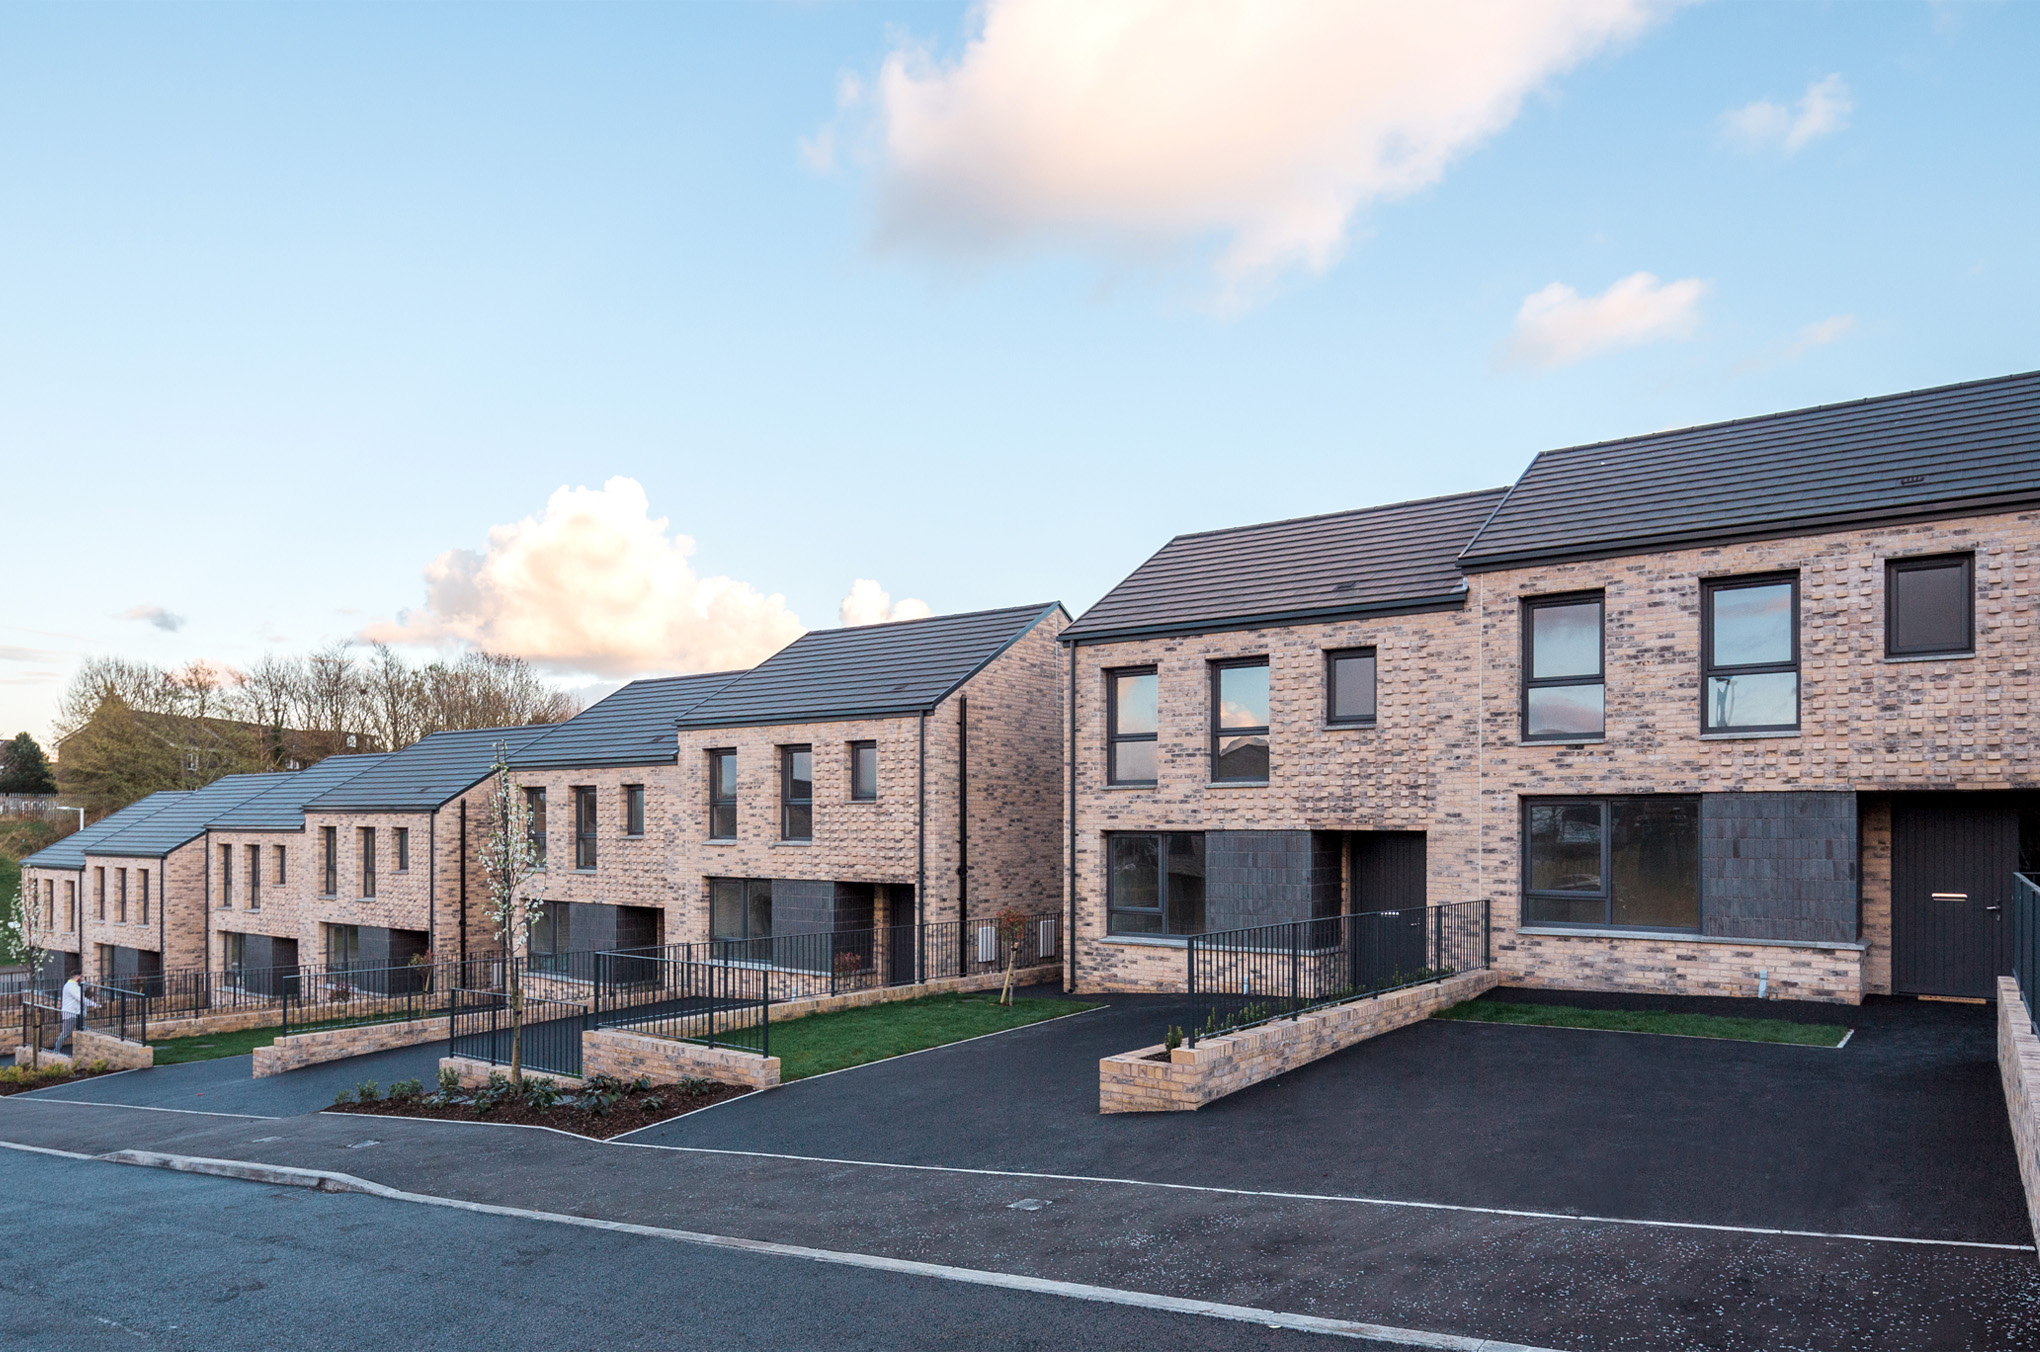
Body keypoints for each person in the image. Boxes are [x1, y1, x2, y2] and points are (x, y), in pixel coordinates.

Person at [54, 972, 97, 1054]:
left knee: (84, 1031)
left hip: (78, 1013)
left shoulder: (75, 985)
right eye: (82, 977)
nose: (82, 978)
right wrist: (94, 1004)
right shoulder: (71, 986)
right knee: (65, 1033)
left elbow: (82, 991)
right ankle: (56, 1050)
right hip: (71, 1014)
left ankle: (84, 1051)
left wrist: (84, 982)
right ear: (78, 977)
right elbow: (80, 997)